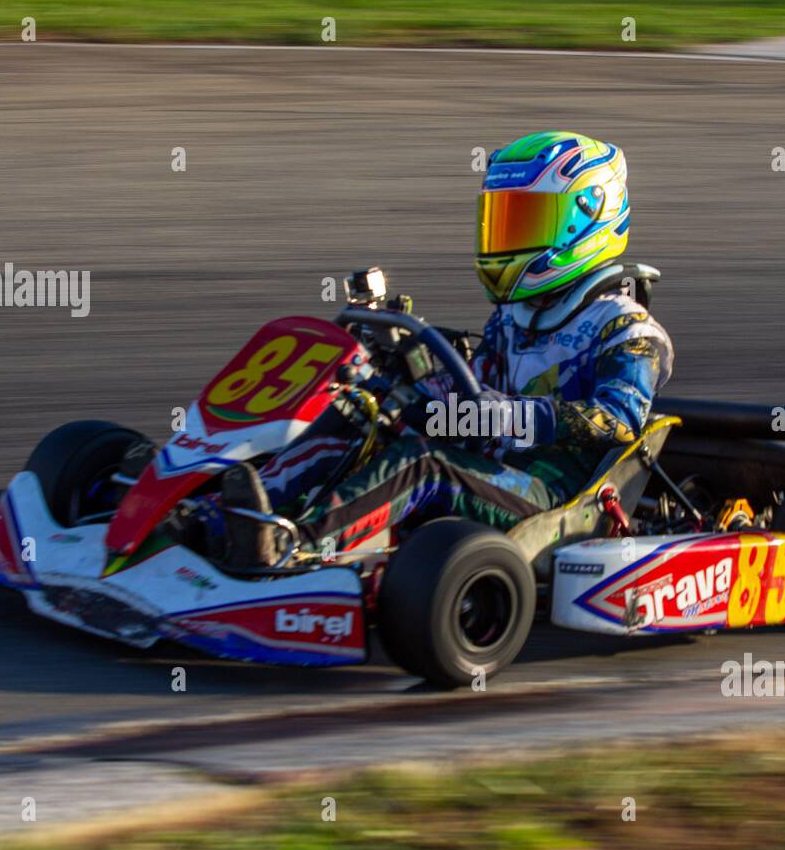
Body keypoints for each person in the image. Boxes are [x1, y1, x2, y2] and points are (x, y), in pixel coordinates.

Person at [221, 131, 673, 566]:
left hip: (559, 496)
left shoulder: (626, 328)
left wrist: (507, 414)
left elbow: (619, 424)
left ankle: (293, 546)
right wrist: (405, 392)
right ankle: (232, 514)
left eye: (526, 222)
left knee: (425, 466)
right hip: (491, 461)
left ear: (587, 218)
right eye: (505, 220)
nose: (509, 237)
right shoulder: (513, 317)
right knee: (362, 415)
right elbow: (474, 389)